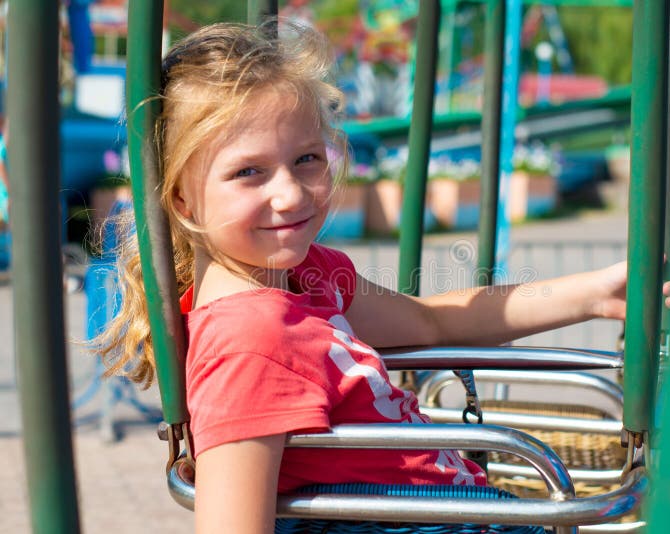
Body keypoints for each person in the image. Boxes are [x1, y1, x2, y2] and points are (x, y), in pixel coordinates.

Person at [95, 20, 632, 533]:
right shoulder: (250, 343)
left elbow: (432, 322)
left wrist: (593, 293)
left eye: (306, 158)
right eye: (248, 172)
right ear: (183, 196)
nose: (291, 193)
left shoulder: (307, 276)